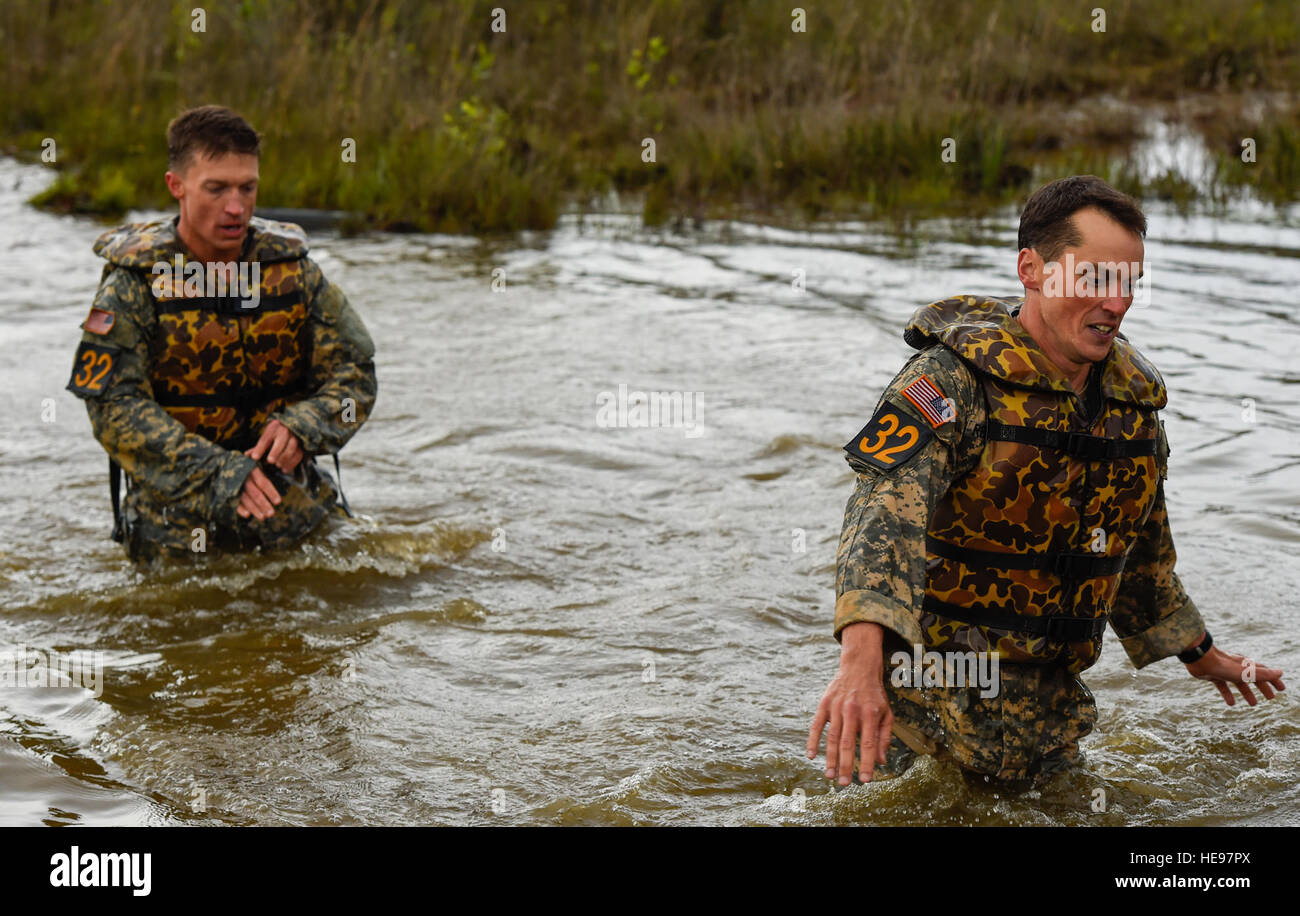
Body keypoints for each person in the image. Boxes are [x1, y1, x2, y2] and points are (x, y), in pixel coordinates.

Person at [807, 176, 1285, 789]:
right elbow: (881, 521)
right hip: (920, 728)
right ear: (1031, 270)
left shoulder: (1131, 406)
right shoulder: (950, 384)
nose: (1117, 303)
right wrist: (859, 666)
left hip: (1052, 731)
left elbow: (1137, 548)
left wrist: (1198, 650)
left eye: (1129, 283)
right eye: (1094, 279)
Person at [67, 105, 377, 563]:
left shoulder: (292, 271)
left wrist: (306, 426)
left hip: (293, 511)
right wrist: (220, 474)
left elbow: (356, 375)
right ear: (176, 186)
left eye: (247, 188)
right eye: (216, 189)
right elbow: (113, 408)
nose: (236, 207)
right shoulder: (135, 283)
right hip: (177, 529)